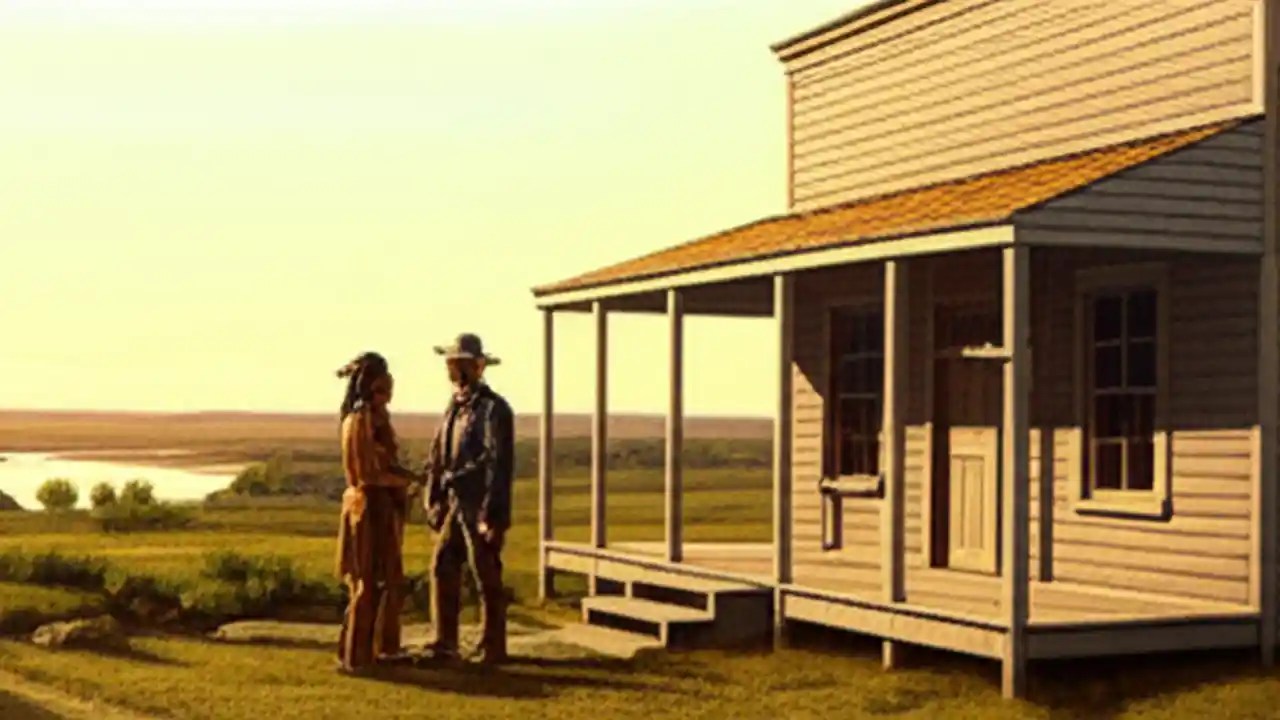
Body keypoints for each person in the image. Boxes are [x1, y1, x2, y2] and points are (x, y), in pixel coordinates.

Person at [419, 333, 515, 665]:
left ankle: (493, 645)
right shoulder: (453, 408)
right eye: (450, 363)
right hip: (455, 502)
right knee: (443, 566)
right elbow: (438, 455)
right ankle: (445, 640)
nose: (451, 369)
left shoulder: (492, 409)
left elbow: (497, 463)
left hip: (478, 504)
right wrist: (434, 494)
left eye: (457, 363)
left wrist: (493, 513)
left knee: (485, 573)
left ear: (475, 367)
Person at [334, 352, 418, 674]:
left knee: (387, 581)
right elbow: (367, 474)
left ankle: (382, 647)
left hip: (382, 505)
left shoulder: (377, 419)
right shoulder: (358, 422)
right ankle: (357, 656)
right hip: (367, 507)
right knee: (367, 583)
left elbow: (386, 463)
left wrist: (406, 478)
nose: (388, 396)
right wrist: (402, 480)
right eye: (383, 389)